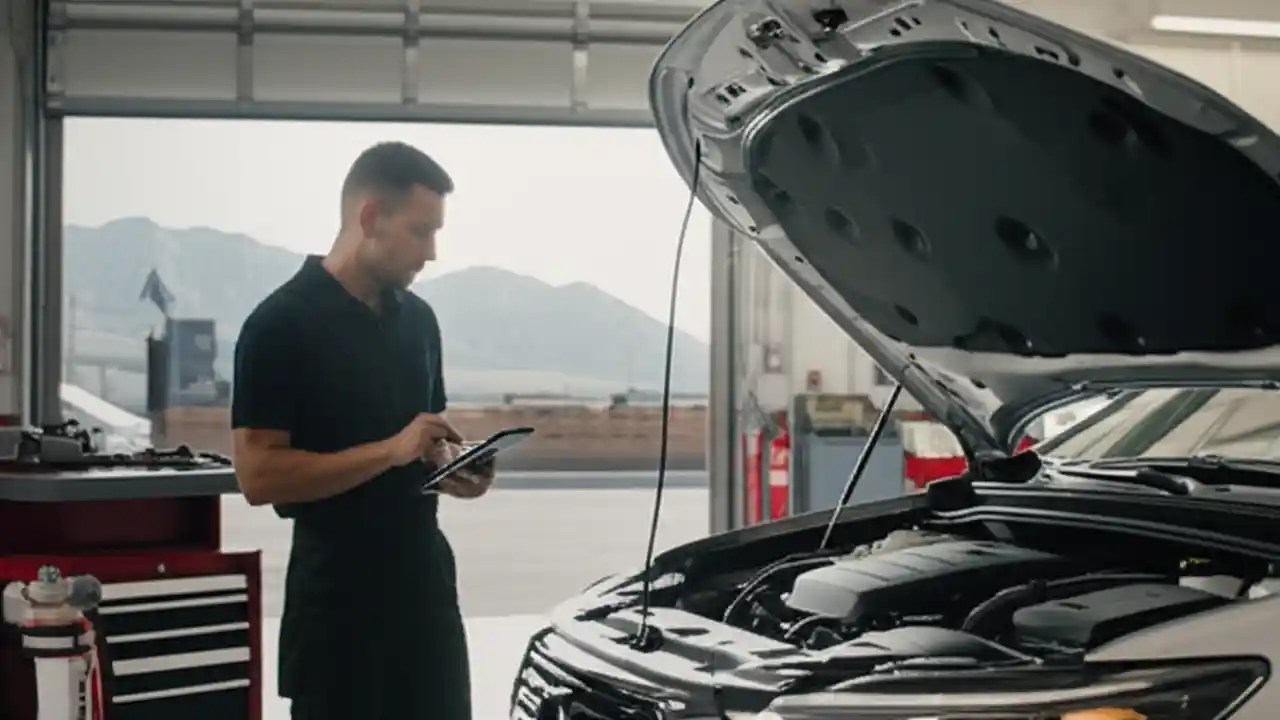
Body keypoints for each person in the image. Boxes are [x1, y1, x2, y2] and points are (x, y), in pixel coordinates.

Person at [229, 141, 493, 720]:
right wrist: (391, 451)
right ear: (370, 217)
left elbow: (425, 442)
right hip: (337, 612)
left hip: (425, 597)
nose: (432, 252)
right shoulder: (279, 325)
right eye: (421, 231)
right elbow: (258, 474)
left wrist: (456, 466)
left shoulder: (420, 322)